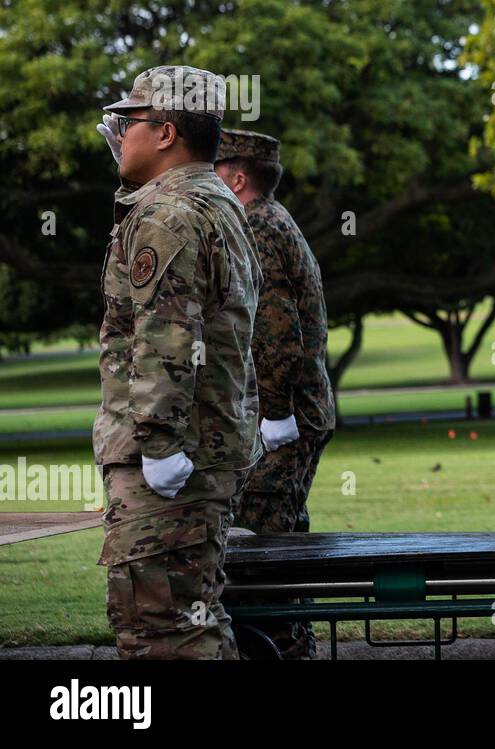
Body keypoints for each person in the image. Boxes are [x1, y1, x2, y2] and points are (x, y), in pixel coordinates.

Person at [93, 65, 261, 659]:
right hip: (204, 449)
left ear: (166, 133)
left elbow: (165, 338)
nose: (119, 132)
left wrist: (159, 445)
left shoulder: (169, 215)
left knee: (163, 632)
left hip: (170, 462)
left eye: (129, 120)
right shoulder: (210, 201)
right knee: (190, 619)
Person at [216, 127, 336, 660]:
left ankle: (283, 652)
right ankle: (296, 647)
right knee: (284, 539)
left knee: (260, 552)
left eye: (216, 171)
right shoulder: (270, 219)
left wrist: (276, 414)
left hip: (280, 418)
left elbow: (275, 329)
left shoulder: (255, 225)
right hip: (292, 412)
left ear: (238, 177)